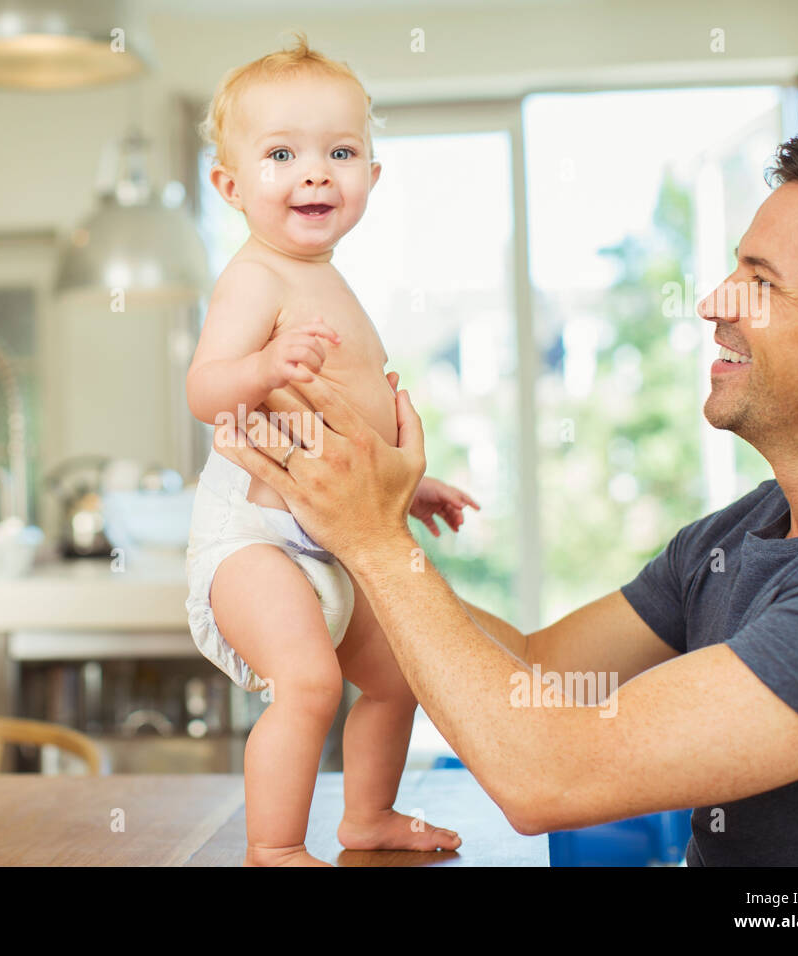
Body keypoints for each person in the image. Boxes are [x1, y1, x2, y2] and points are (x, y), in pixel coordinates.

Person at [224, 122, 798, 865]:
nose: (713, 302)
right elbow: (538, 668)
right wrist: (318, 552)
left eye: (761, 282)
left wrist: (374, 541)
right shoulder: (739, 535)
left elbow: (552, 775)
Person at [184, 34, 479, 866]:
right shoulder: (256, 277)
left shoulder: (331, 276)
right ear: (230, 186)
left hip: (340, 537)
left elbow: (350, 421)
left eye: (340, 152)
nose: (316, 172)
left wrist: (408, 489)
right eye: (282, 153)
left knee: (397, 677)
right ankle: (274, 847)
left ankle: (367, 819)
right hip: (255, 542)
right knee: (309, 685)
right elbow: (206, 391)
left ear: (371, 179)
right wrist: (261, 367)